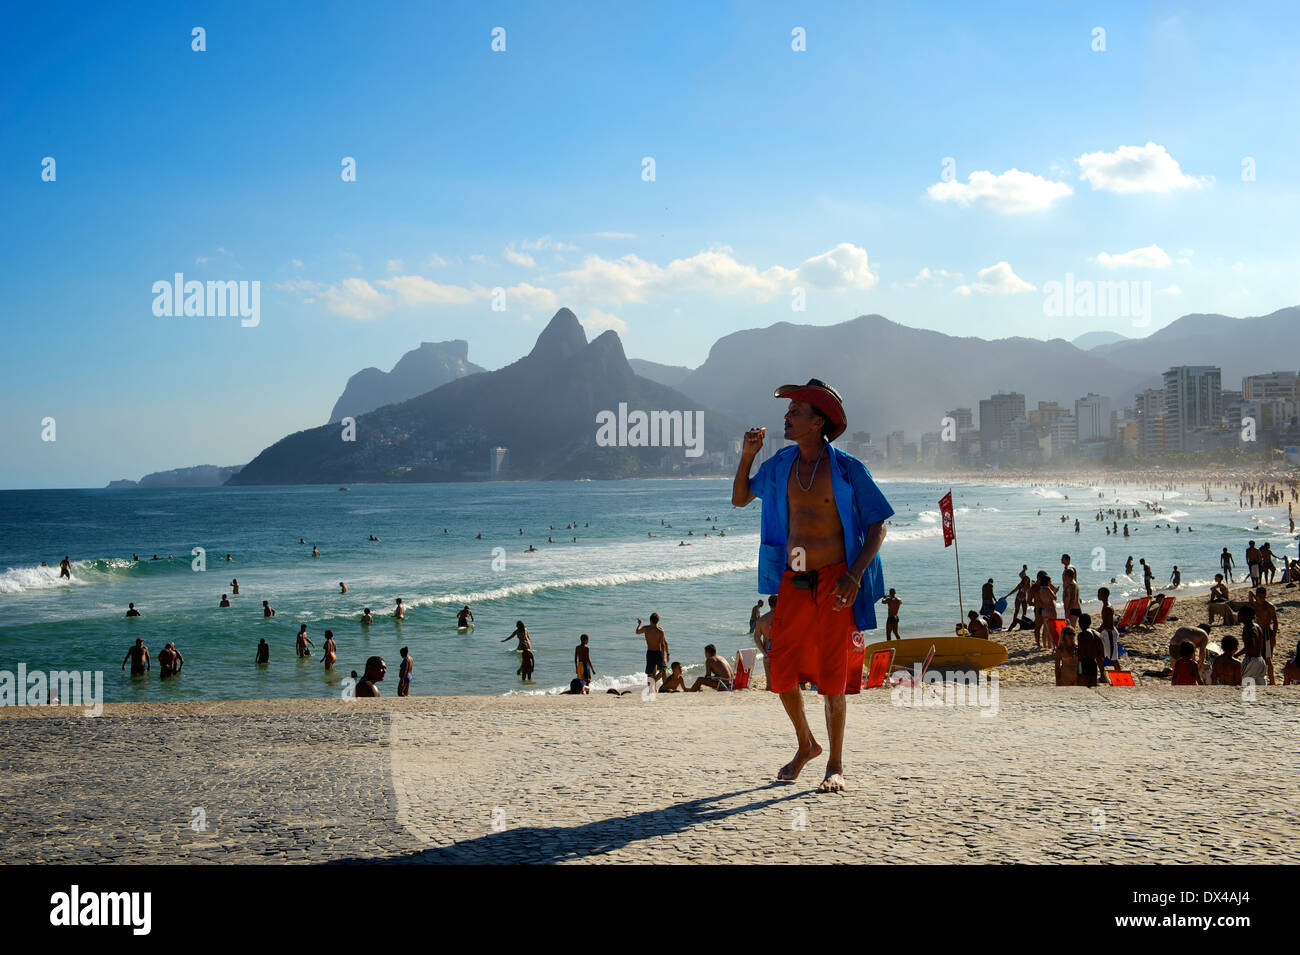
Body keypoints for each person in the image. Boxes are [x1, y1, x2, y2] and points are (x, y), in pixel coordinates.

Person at [731, 378, 892, 793]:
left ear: (818, 421)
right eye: (789, 411)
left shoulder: (847, 468)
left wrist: (854, 575)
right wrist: (747, 456)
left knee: (832, 676)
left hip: (836, 580)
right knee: (779, 671)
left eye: (796, 411)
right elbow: (740, 498)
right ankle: (806, 744)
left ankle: (834, 765)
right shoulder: (781, 464)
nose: (787, 417)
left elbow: (879, 525)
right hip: (794, 581)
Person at [1250, 587, 1278, 685]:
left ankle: (1272, 681)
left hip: (1266, 633)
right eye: (1260, 597)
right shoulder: (1254, 605)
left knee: (1267, 658)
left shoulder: (1269, 607)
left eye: (1264, 597)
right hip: (1257, 633)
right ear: (1257, 596)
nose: (1263, 599)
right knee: (1257, 657)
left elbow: (1275, 623)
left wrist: (1273, 637)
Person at [1235, 605, 1268, 687]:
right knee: (1260, 687)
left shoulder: (1248, 628)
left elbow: (1249, 646)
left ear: (1246, 616)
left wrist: (1235, 655)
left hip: (1251, 660)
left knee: (1242, 683)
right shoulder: (1257, 626)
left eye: (1240, 614)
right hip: (1260, 660)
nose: (1238, 616)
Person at [1075, 613, 1109, 687]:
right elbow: (1101, 653)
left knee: (1082, 687)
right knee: (1092, 688)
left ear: (1080, 623)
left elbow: (1080, 654)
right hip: (1093, 664)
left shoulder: (1082, 635)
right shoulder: (1097, 634)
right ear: (1090, 623)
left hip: (1083, 664)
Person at [636, 612, 670, 685]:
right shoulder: (660, 631)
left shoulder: (646, 628)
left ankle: (651, 687)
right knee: (663, 671)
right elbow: (663, 645)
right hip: (658, 653)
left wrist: (639, 624)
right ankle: (664, 687)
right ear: (658, 621)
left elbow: (637, 632)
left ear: (650, 620)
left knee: (650, 673)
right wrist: (664, 657)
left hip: (650, 652)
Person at [752, 595, 777, 684]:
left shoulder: (762, 620)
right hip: (783, 653)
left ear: (769, 604)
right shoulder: (785, 617)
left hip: (768, 653)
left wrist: (764, 653)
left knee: (769, 684)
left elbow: (756, 638)